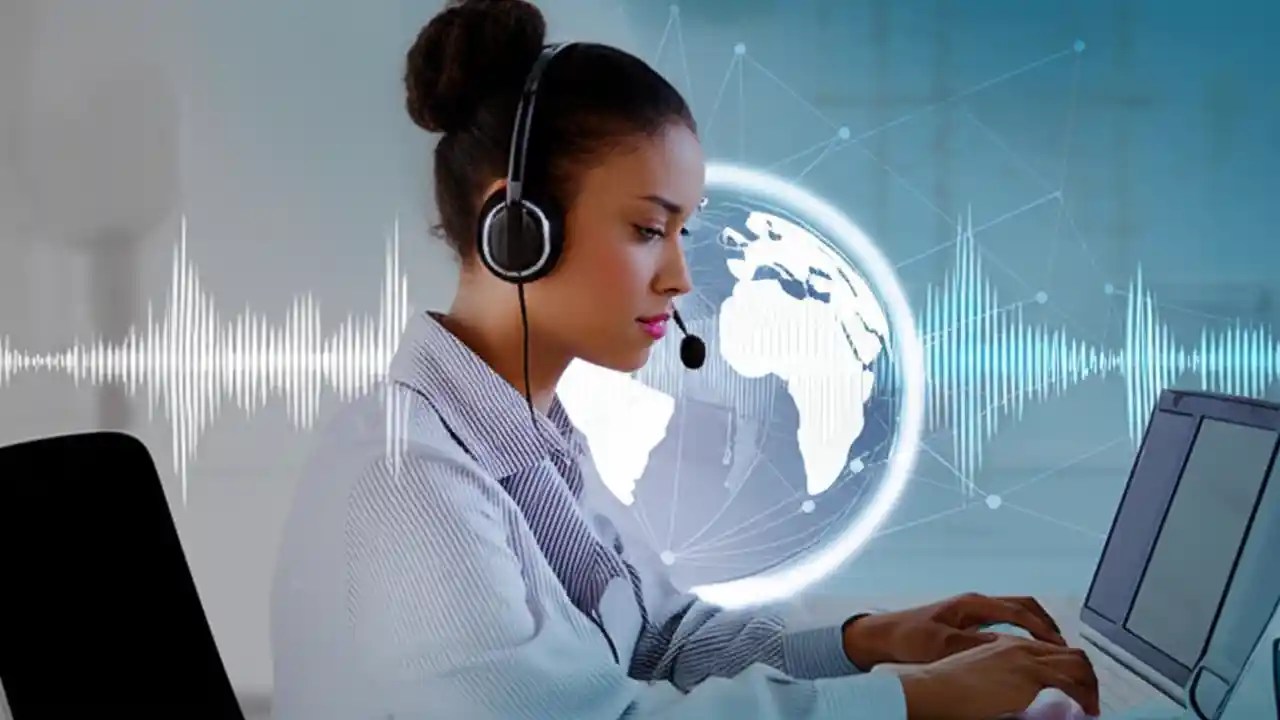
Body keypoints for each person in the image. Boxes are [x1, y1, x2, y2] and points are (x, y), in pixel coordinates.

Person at [268, 1, 1100, 718]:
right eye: (645, 229)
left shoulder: (529, 440)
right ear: (516, 227)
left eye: (682, 230)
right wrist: (919, 701)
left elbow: (659, 642)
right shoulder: (409, 479)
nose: (680, 276)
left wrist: (870, 643)